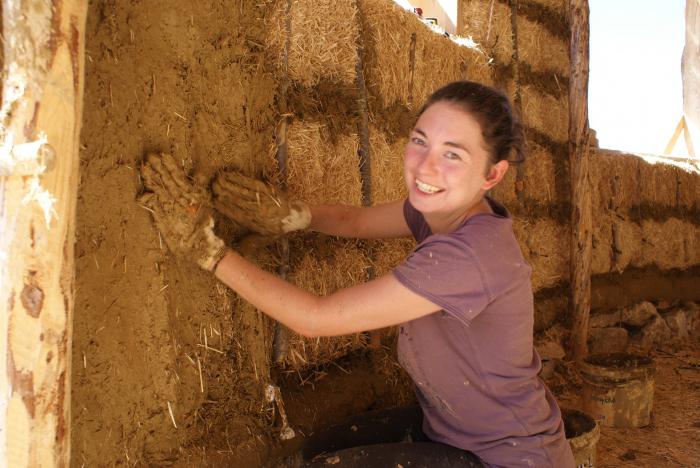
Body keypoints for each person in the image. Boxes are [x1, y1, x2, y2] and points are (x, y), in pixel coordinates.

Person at [139, 81, 575, 467]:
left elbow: (315, 319)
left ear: (492, 174)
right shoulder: (446, 211)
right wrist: (295, 215)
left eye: (453, 155)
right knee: (312, 452)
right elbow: (357, 222)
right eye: (420, 141)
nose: (425, 167)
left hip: (506, 457)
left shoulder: (470, 256)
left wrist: (209, 251)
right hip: (450, 432)